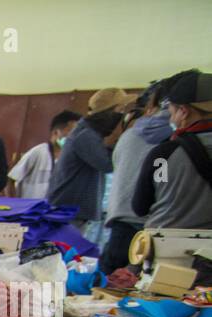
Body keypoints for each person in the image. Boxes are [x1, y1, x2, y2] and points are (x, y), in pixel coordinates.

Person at [101, 80, 173, 273]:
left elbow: (117, 166)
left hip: (120, 222)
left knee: (104, 291)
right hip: (150, 228)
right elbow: (162, 184)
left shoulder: (129, 135)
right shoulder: (172, 141)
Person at [48, 87, 132, 244]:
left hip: (74, 209)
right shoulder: (85, 135)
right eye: (120, 110)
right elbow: (106, 164)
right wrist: (117, 137)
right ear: (108, 113)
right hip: (69, 210)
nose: (122, 116)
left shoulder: (89, 133)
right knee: (64, 253)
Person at [133, 69, 212, 230]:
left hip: (169, 247)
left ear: (183, 111)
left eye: (171, 112)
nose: (171, 119)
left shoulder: (162, 156)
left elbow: (140, 207)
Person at [5, 111, 80, 199]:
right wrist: (15, 203)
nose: (75, 137)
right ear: (56, 133)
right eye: (71, 133)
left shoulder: (71, 156)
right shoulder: (38, 152)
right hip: (30, 208)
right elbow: (10, 179)